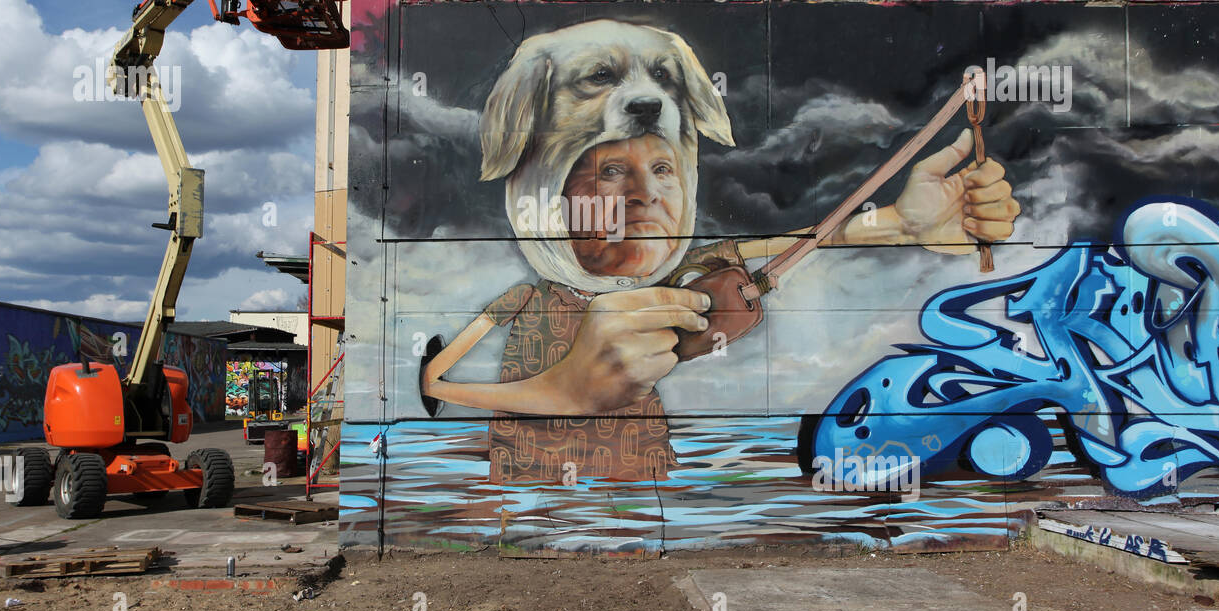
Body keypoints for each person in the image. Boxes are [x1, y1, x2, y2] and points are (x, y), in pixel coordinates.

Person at [423, 129, 1019, 485]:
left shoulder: (683, 274)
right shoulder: (534, 295)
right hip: (532, 474)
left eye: (663, 169)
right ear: (558, 198)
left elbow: (803, 241)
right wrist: (443, 382)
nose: (646, 193)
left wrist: (896, 224)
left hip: (637, 470)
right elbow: (497, 352)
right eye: (610, 172)